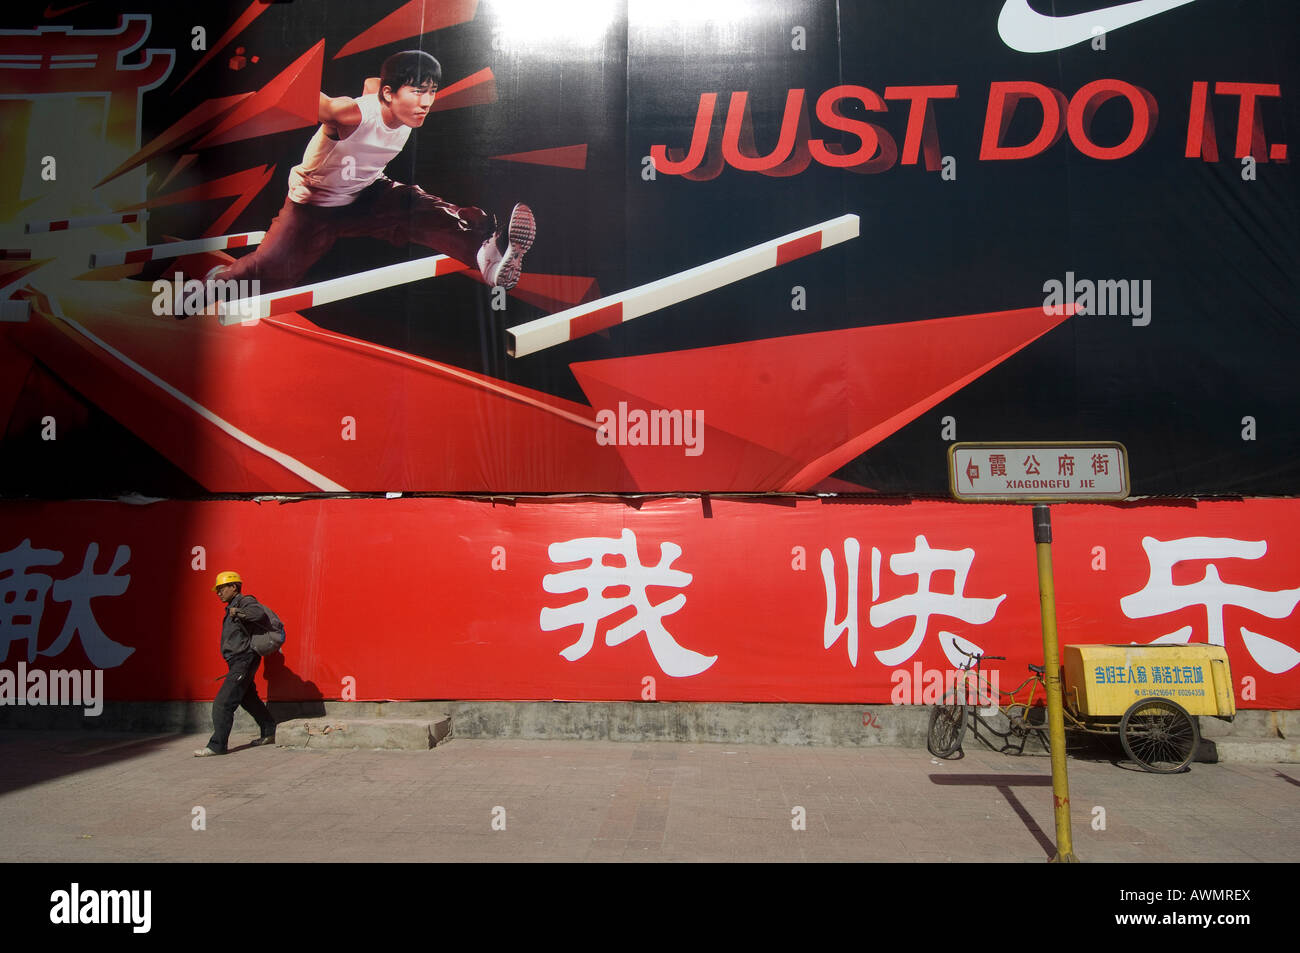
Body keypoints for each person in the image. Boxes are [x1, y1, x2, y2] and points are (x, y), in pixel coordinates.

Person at [211, 49, 534, 295]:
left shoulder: (398, 105)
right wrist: (250, 65)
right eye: (418, 92)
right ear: (389, 95)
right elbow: (301, 98)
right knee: (270, 273)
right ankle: (208, 287)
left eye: (432, 91)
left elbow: (372, 84)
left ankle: (488, 253)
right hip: (311, 210)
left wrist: (392, 85)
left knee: (418, 205)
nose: (426, 103)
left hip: (367, 193)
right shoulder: (348, 115)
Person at [194, 570, 278, 757]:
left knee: (223, 703)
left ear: (234, 587)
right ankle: (269, 730)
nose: (218, 592)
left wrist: (238, 612)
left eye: (221, 588)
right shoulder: (232, 604)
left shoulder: (244, 601)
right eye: (217, 589)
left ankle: (217, 745)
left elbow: (257, 613)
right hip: (237, 661)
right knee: (249, 699)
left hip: (244, 659)